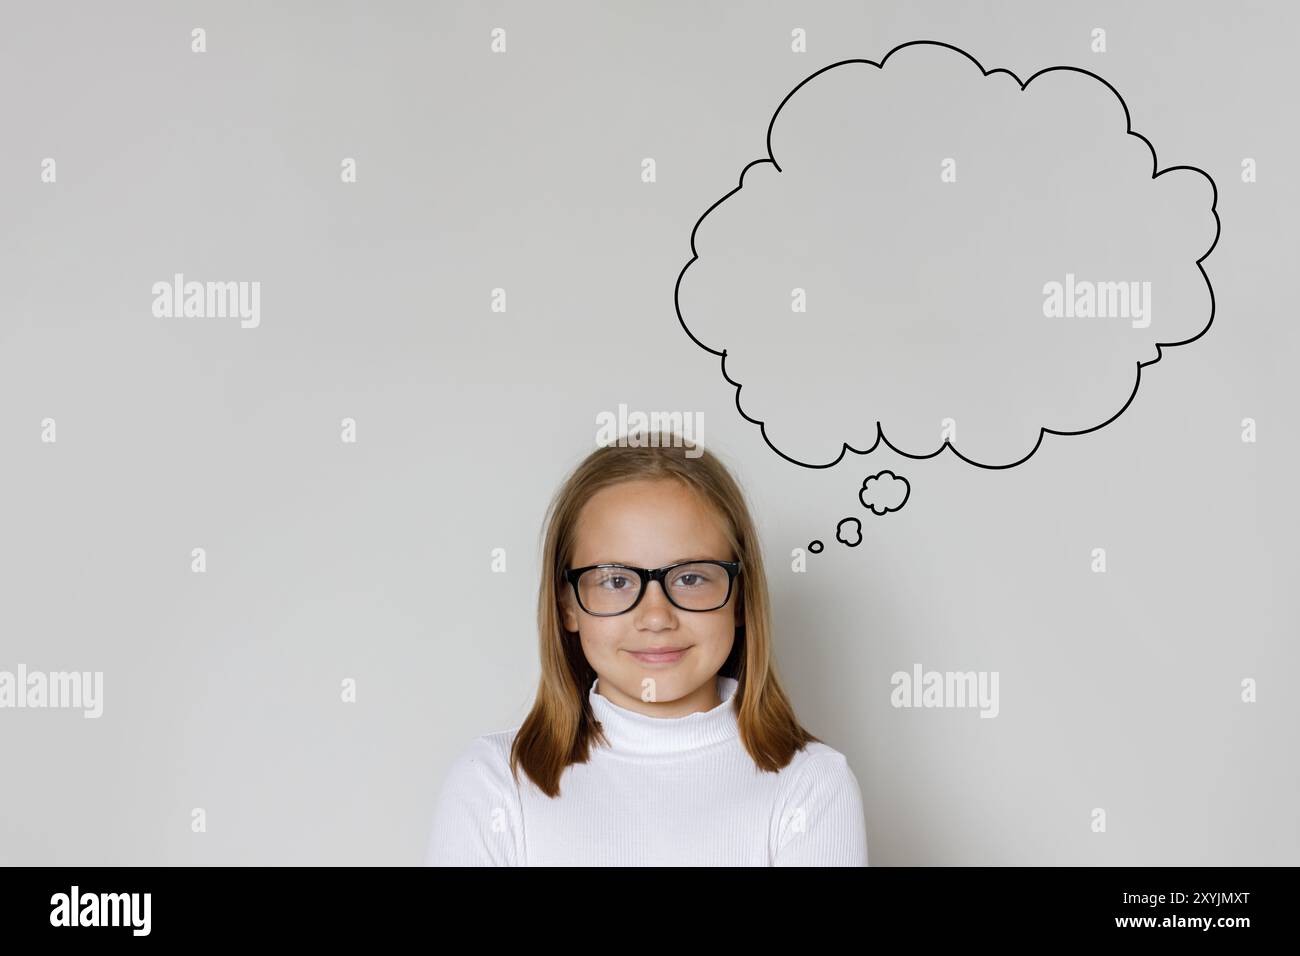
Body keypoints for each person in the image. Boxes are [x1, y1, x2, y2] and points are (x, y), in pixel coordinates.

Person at [424, 431, 868, 865]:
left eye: (691, 577)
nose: (656, 617)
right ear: (567, 606)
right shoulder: (496, 782)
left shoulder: (810, 784)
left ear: (739, 597)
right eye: (616, 581)